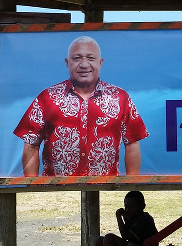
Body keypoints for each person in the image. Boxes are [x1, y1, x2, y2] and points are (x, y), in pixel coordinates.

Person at [13, 35, 149, 176]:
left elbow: (132, 143)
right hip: (56, 190)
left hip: (107, 187)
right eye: (77, 58)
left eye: (91, 58)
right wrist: (33, 187)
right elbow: (31, 144)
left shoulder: (120, 97)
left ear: (100, 62)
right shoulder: (47, 98)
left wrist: (131, 185)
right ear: (67, 62)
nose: (84, 64)